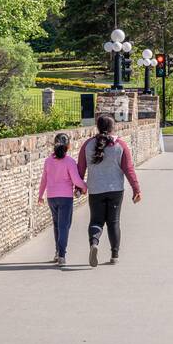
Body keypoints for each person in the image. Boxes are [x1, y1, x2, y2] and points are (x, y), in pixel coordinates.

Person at [77, 114, 142, 267]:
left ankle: (94, 242)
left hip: (95, 189)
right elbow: (129, 169)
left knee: (96, 221)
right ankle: (114, 255)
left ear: (97, 127)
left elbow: (80, 169)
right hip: (115, 190)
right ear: (113, 128)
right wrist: (136, 189)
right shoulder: (120, 145)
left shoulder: (88, 145)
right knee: (113, 222)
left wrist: (79, 187)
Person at [37, 132, 85, 266]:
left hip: (51, 197)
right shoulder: (69, 161)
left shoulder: (48, 161)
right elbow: (76, 180)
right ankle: (62, 255)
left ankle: (58, 252)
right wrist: (85, 186)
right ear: (68, 146)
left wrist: (40, 195)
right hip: (65, 198)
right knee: (64, 226)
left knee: (57, 225)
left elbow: (44, 180)